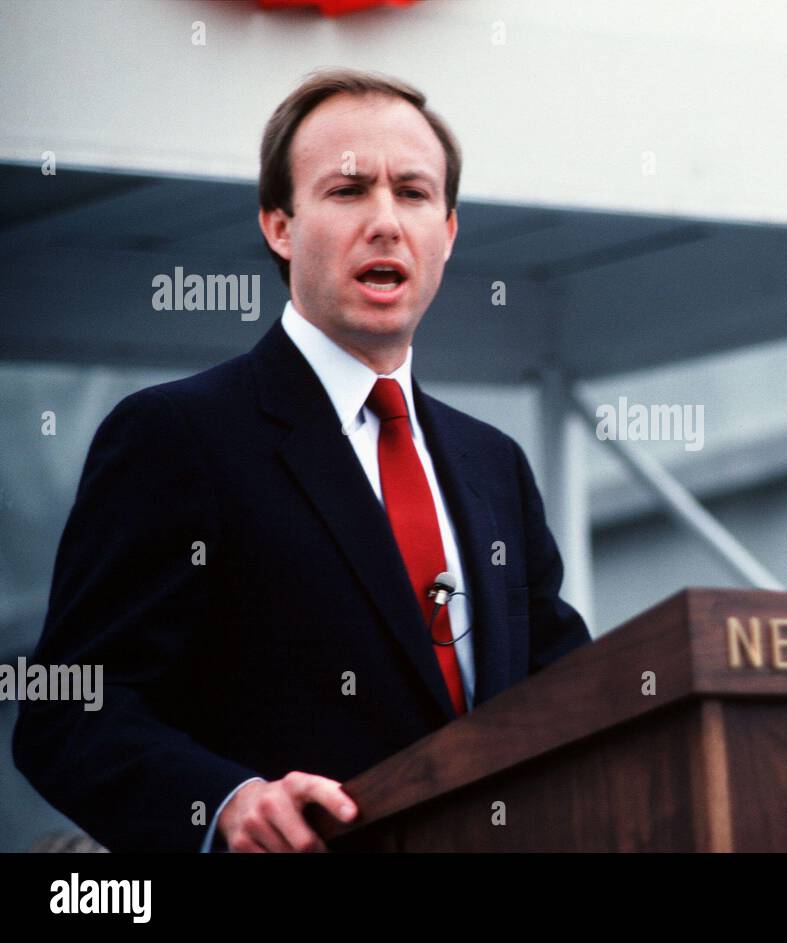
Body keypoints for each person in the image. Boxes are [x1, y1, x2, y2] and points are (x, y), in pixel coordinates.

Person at [12, 68, 592, 853]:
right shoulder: (176, 435)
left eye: (413, 193)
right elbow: (68, 709)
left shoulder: (495, 465)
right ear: (280, 226)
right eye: (348, 191)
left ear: (449, 233)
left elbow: (573, 695)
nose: (385, 222)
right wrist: (225, 803)